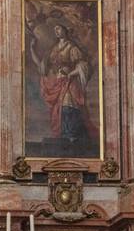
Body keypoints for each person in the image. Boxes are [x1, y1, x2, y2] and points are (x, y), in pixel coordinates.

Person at [28, 18, 93, 153]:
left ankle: (72, 137)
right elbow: (42, 67)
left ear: (65, 30)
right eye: (55, 29)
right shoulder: (53, 49)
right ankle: (65, 138)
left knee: (68, 106)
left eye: (59, 28)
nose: (56, 31)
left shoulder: (72, 47)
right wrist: (32, 48)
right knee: (59, 110)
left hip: (70, 83)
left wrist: (69, 74)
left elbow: (83, 66)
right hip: (57, 82)